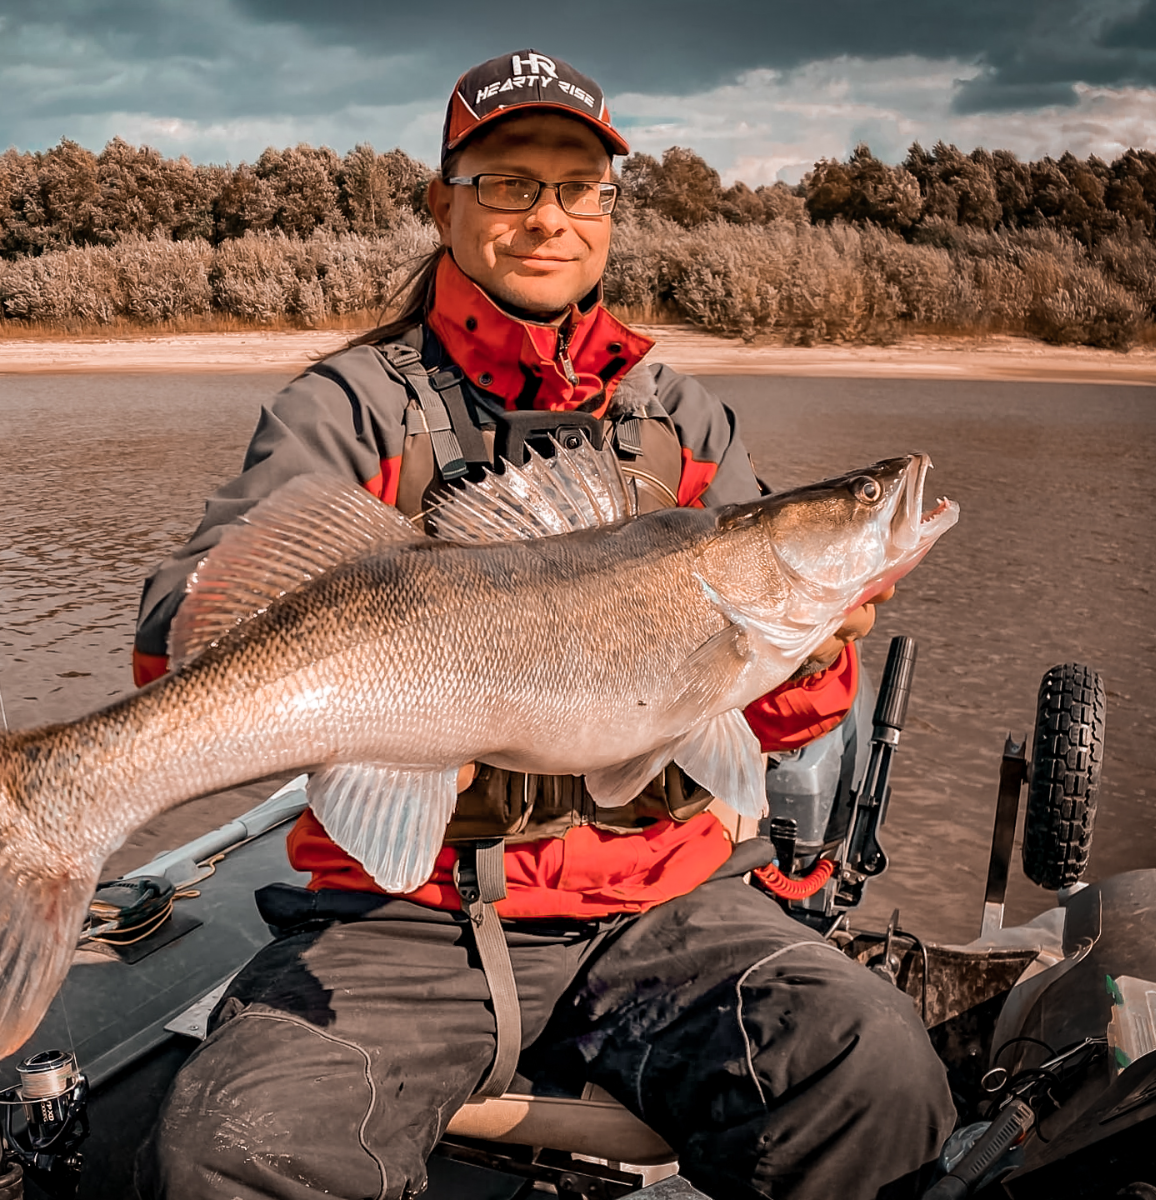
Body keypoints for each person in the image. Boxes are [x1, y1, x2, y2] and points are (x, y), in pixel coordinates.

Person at [132, 49, 955, 1200]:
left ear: (609, 211)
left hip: (664, 905)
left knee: (874, 1067)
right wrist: (337, 672)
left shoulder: (683, 419)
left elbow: (775, 730)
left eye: (579, 187)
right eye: (510, 182)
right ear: (443, 206)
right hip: (401, 916)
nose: (548, 216)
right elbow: (173, 640)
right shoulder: (349, 406)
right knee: (234, 1147)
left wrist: (818, 652)